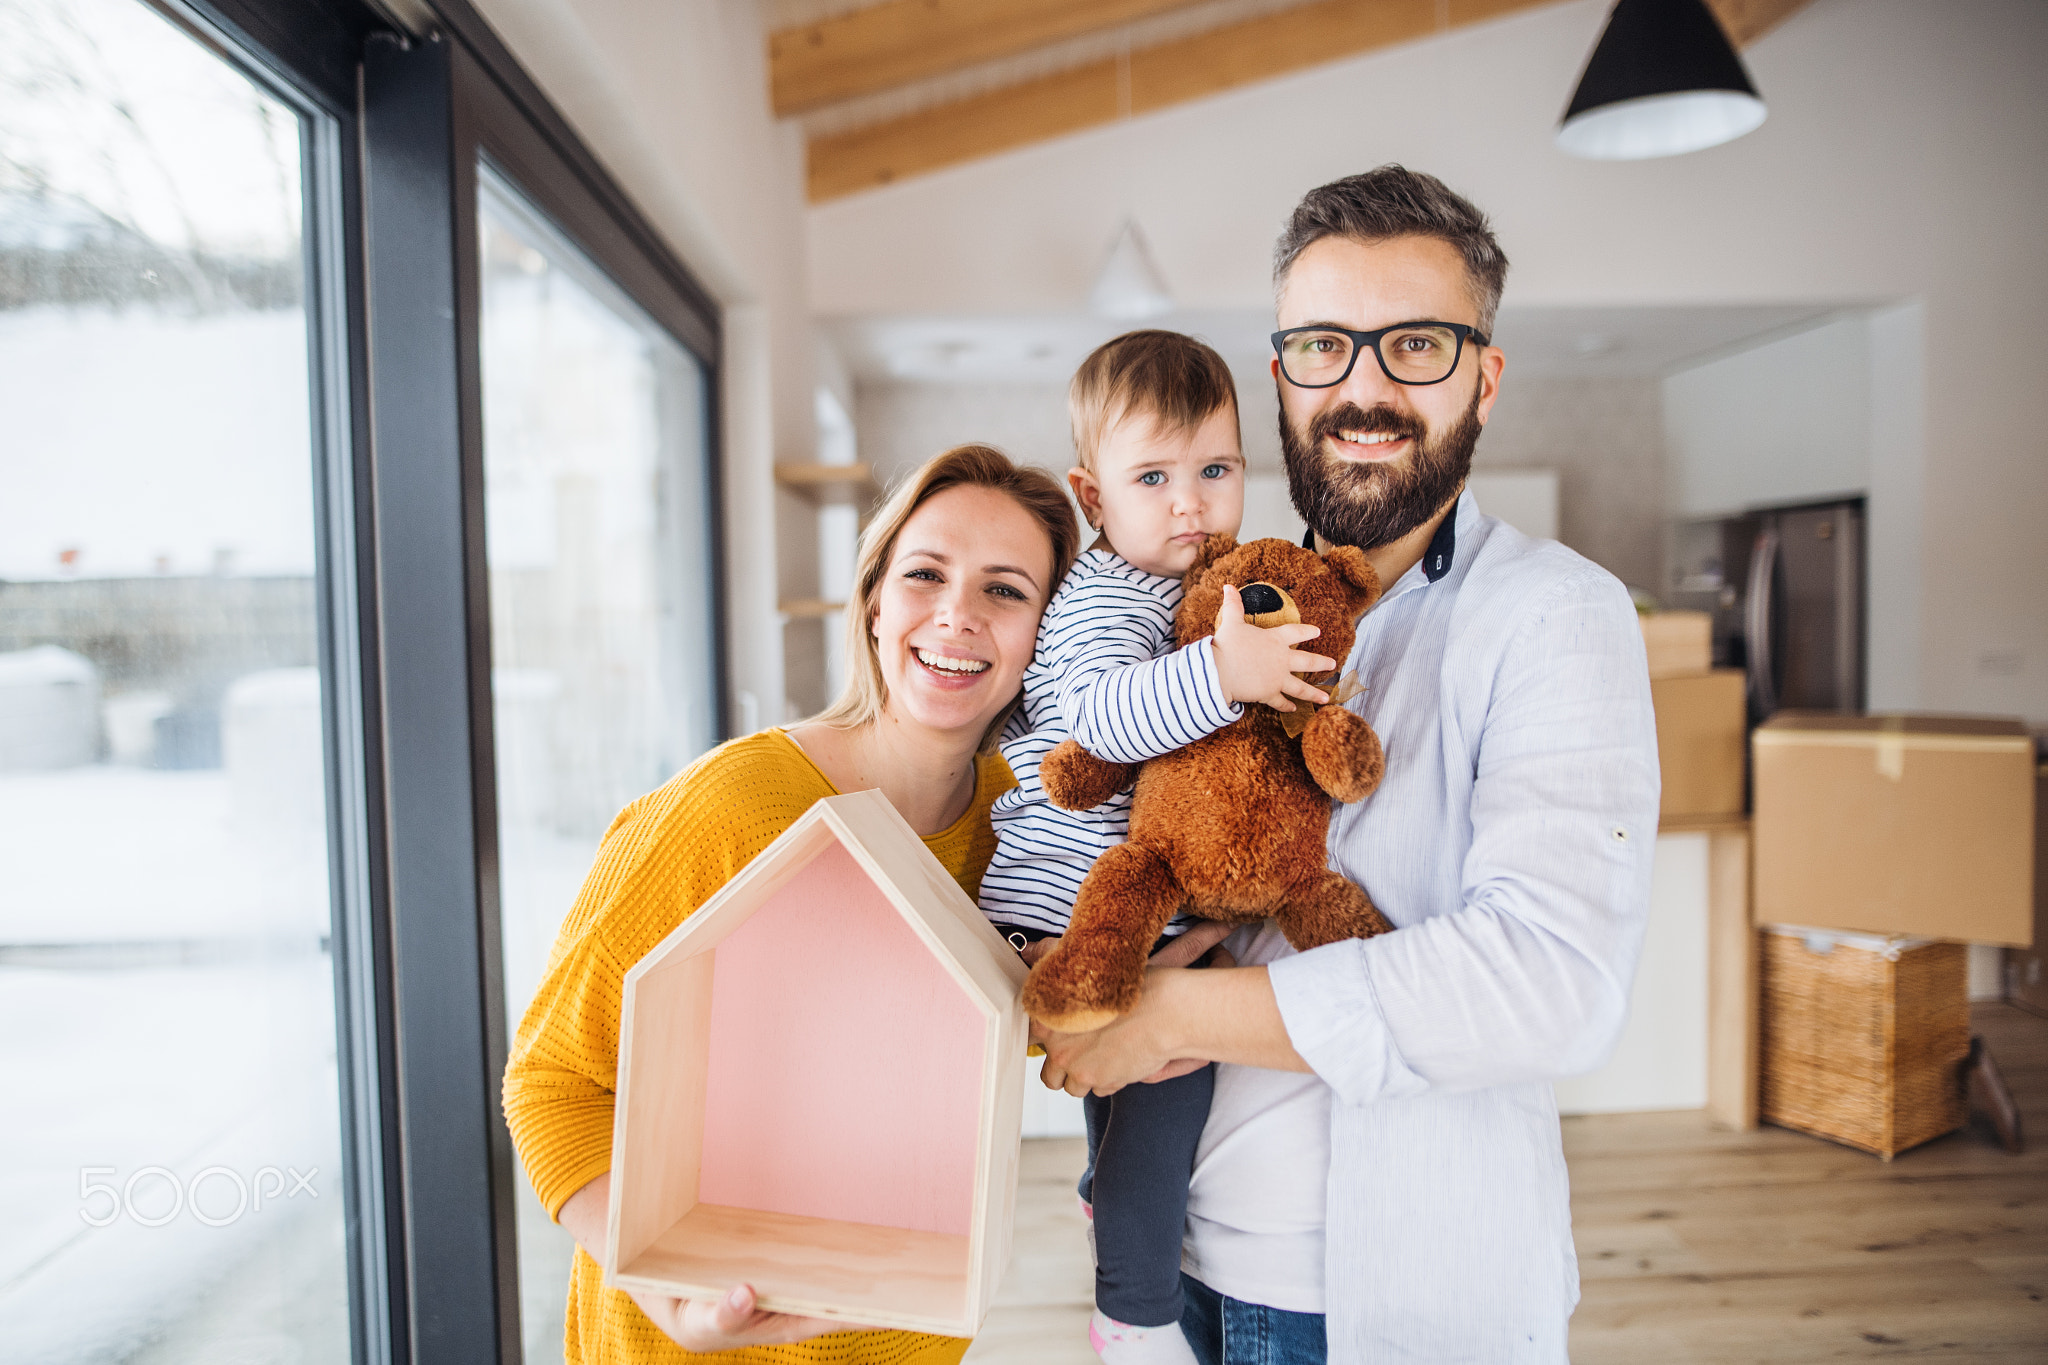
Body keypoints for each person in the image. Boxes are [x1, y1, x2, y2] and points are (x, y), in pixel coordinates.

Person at [1035, 166, 1662, 1364]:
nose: (1362, 388)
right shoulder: (1196, 601)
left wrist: (1159, 1007)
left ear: (1483, 376)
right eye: (1324, 345)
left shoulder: (1555, 615)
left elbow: (1549, 981)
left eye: (1413, 344)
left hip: (1374, 1294)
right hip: (1174, 1266)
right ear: (1279, 376)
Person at [502, 443, 1080, 1364]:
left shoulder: (1033, 832)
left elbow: (1034, 1016)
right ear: (874, 602)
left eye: (1006, 590)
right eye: (924, 574)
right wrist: (672, 1293)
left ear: (1051, 633)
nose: (957, 614)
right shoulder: (727, 807)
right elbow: (551, 1085)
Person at [978, 331, 1337, 1365]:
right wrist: (1225, 673)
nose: (1190, 503)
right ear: (1094, 498)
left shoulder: (1196, 587)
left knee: (1139, 1116)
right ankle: (1129, 1318)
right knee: (1165, 1093)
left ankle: (1109, 1204)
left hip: (1139, 898)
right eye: (1153, 477)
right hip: (1079, 907)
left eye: (1214, 471)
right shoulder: (1100, 598)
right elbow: (1101, 720)